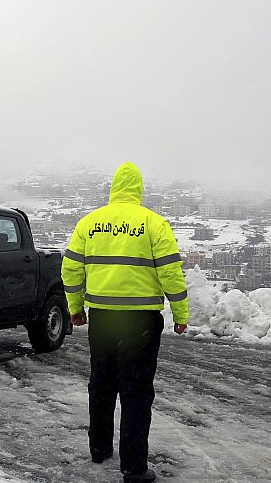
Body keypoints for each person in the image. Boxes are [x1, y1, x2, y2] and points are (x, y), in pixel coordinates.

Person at [62, 162, 189, 483]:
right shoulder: (153, 224)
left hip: (103, 318)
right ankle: (134, 468)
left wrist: (75, 307)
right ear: (138, 190)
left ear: (113, 188)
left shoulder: (89, 223)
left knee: (101, 384)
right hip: (140, 320)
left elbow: (70, 270)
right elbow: (171, 272)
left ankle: (99, 448)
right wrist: (181, 313)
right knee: (136, 391)